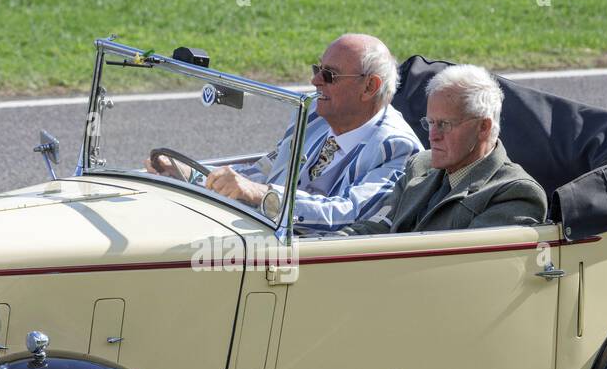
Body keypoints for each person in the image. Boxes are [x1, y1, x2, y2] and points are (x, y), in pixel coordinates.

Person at [146, 34, 421, 232]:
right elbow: (265, 171)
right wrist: (189, 174)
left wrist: (262, 195)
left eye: (329, 76)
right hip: (263, 236)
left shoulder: (396, 147)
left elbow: (348, 213)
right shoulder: (313, 113)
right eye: (317, 69)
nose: (314, 81)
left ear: (370, 87)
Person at [341, 64, 546, 235]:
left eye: (444, 125)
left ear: (483, 127)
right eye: (430, 123)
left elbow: (463, 266)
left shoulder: (515, 193)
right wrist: (323, 247)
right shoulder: (420, 166)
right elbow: (377, 226)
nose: (432, 135)